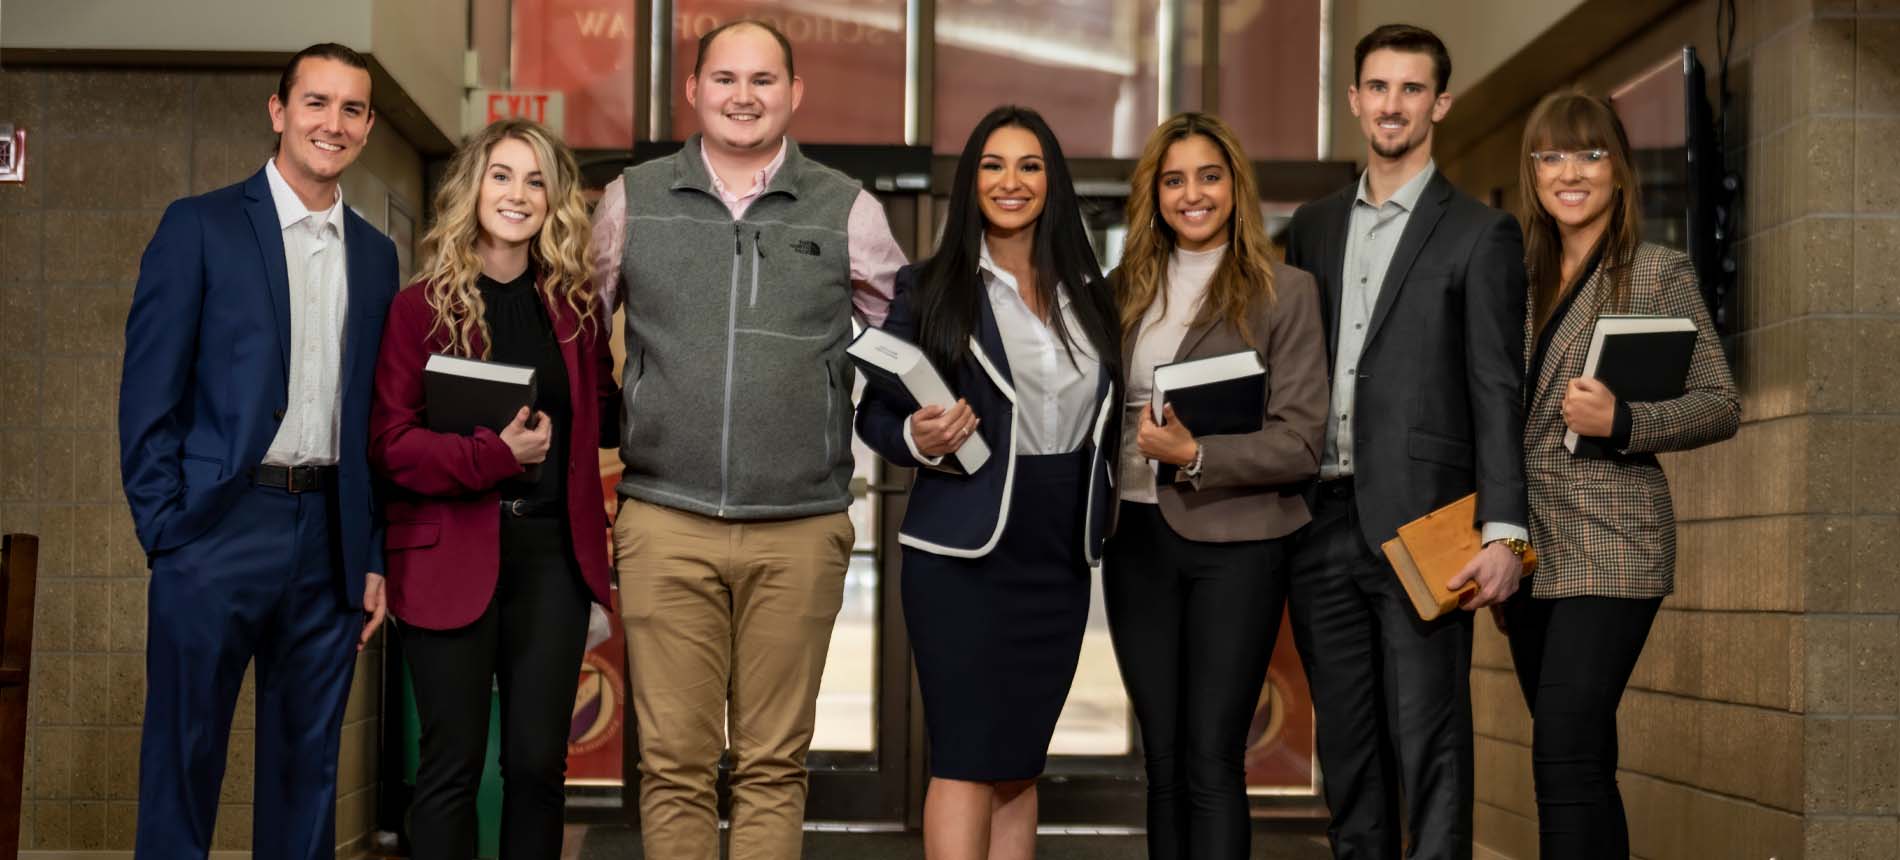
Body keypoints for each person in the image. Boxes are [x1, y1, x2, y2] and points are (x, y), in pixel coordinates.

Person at [585, 18, 907, 860]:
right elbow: (577, 333)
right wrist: (615, 425)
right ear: (693, 89)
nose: (743, 96)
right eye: (725, 78)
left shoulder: (847, 208)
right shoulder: (632, 198)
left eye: (763, 80)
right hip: (665, 519)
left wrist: (912, 418)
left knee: (773, 765)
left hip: (800, 525)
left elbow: (906, 344)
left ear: (794, 93)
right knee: (673, 765)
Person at [117, 43, 397, 858]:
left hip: (330, 542)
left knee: (306, 776)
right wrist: (167, 529)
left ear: (368, 127)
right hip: (215, 528)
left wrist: (371, 553)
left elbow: (374, 419)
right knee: (184, 760)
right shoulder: (199, 226)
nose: (332, 123)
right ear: (279, 111)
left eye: (351, 109)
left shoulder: (377, 255)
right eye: (316, 102)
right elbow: (148, 395)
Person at [1281, 24, 1531, 859]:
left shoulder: (1480, 233)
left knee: (1431, 749)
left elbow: (1497, 387)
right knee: (1348, 759)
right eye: (1379, 88)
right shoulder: (1313, 227)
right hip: (1319, 525)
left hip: (1425, 527)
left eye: (1412, 89)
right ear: (1354, 100)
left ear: (1440, 104)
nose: (1393, 105)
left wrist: (1505, 531)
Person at [855, 104, 1121, 860]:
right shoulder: (929, 286)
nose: (1012, 181)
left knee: (1019, 764)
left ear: (1052, 181)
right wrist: (917, 438)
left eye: (1030, 165)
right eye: (993, 165)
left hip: (1058, 553)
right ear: (971, 181)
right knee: (967, 760)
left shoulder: (1091, 293)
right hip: (961, 555)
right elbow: (876, 414)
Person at [367, 118, 617, 859]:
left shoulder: (575, 310)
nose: (518, 194)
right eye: (502, 175)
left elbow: (607, 414)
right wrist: (494, 456)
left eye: (536, 181)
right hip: (446, 555)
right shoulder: (419, 308)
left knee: (538, 767)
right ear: (473, 187)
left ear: (554, 200)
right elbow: (390, 444)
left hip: (552, 562)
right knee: (451, 767)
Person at [1506, 90, 1738, 858]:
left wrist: (1627, 419)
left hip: (1613, 541)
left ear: (1619, 168)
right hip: (1528, 551)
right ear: (1533, 171)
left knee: (1563, 756)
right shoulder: (1516, 280)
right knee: (1581, 759)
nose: (1570, 172)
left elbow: (1719, 403)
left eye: (1590, 153)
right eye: (1551, 156)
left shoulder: (1656, 272)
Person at [1102, 112, 1329, 860]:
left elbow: (1301, 441)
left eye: (1208, 176)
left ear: (1235, 187)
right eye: (1173, 180)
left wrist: (1196, 454)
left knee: (1212, 758)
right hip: (1135, 541)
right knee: (1162, 761)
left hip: (1239, 545)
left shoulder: (1285, 292)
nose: (1191, 194)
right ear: (1154, 194)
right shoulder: (1119, 292)